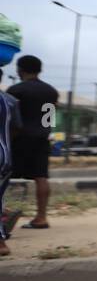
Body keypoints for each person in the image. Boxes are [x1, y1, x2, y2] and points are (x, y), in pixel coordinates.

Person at [6, 55, 59, 229]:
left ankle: (3, 215)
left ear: (20, 70)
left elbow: (10, 118)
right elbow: (49, 120)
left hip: (17, 139)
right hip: (41, 139)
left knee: (3, 177)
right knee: (41, 177)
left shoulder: (16, 90)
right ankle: (41, 218)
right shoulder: (50, 92)